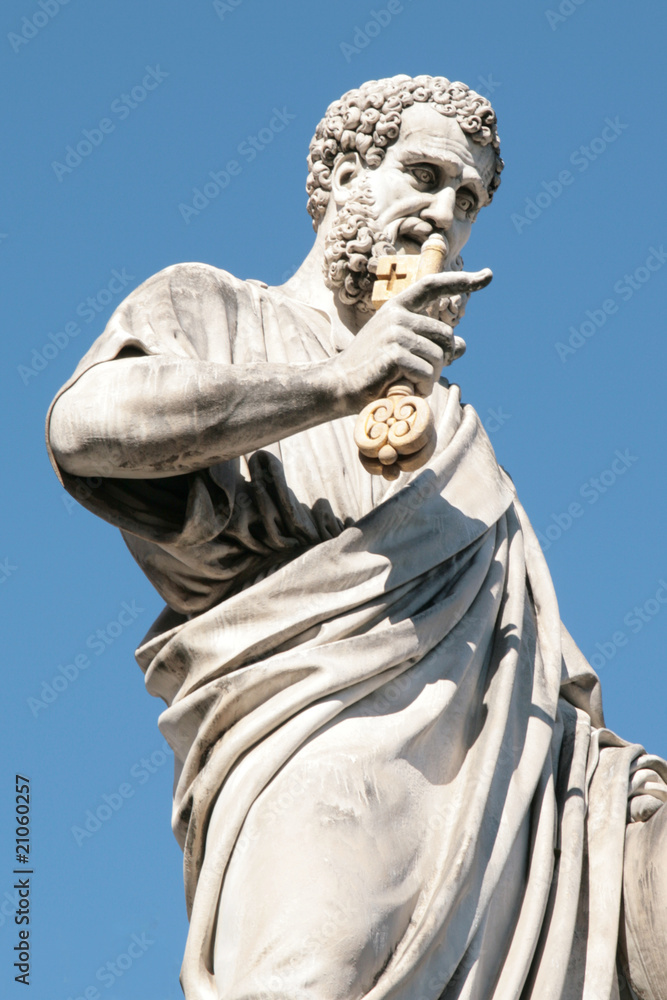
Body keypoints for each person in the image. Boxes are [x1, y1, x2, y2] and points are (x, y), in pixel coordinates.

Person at [46, 74, 667, 1000]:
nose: (443, 214)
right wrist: (338, 382)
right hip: (315, 744)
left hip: (518, 786)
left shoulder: (453, 435)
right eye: (422, 175)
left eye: (468, 200)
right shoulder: (216, 307)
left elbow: (534, 664)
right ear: (342, 177)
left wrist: (623, 797)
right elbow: (85, 428)